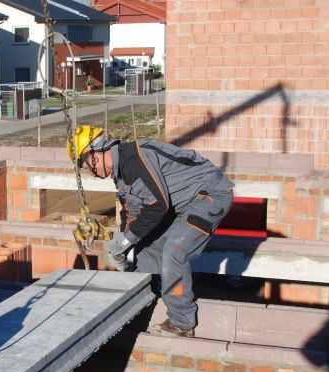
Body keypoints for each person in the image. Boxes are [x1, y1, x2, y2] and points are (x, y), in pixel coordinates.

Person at [69, 126, 233, 338]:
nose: (87, 172)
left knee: (174, 251)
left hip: (209, 196)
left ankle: (182, 324)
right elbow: (133, 211)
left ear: (93, 155)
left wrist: (126, 240)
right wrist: (124, 242)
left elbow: (157, 205)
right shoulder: (121, 174)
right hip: (180, 206)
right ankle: (147, 300)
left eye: (84, 165)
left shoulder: (135, 159)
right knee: (145, 247)